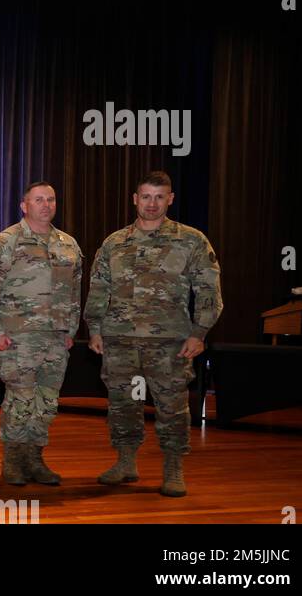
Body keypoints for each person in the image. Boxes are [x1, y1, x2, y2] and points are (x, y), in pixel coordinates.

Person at [85, 171, 222, 497]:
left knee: (172, 408)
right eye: (145, 196)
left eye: (159, 196)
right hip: (120, 342)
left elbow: (208, 288)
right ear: (135, 199)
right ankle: (125, 463)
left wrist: (199, 332)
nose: (151, 203)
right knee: (123, 405)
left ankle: (173, 470)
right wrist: (94, 328)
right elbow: (99, 287)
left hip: (170, 344)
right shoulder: (115, 243)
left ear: (170, 199)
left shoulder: (191, 240)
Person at [0, 181, 82, 486]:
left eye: (51, 199)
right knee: (20, 400)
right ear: (24, 205)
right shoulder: (2, 243)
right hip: (17, 339)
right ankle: (13, 460)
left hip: (55, 339)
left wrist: (70, 329)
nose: (46, 205)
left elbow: (75, 291)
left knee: (47, 402)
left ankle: (35, 459)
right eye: (39, 200)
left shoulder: (68, 244)